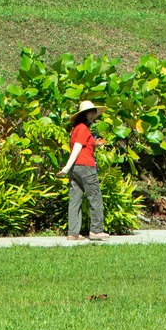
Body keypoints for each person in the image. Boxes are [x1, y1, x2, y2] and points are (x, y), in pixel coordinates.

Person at [58, 100, 105, 240]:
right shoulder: (83, 129)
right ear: (83, 114)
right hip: (85, 167)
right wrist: (66, 168)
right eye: (90, 113)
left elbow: (81, 147)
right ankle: (96, 230)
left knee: (75, 199)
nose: (93, 115)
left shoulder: (77, 129)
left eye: (93, 113)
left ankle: (73, 233)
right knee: (95, 197)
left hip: (76, 169)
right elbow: (77, 148)